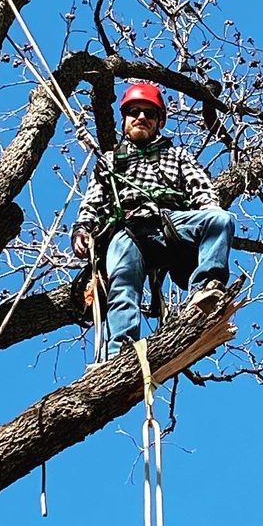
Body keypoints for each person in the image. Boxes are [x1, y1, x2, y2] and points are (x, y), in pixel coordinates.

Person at [71, 81, 234, 362]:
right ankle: (118, 354)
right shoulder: (110, 161)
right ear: (124, 119)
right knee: (122, 285)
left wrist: (204, 215)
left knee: (220, 220)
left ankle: (206, 289)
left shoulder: (177, 155)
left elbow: (203, 191)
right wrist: (82, 229)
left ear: (160, 122)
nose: (141, 118)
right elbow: (93, 201)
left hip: (169, 224)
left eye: (149, 113)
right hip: (128, 230)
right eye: (134, 112)